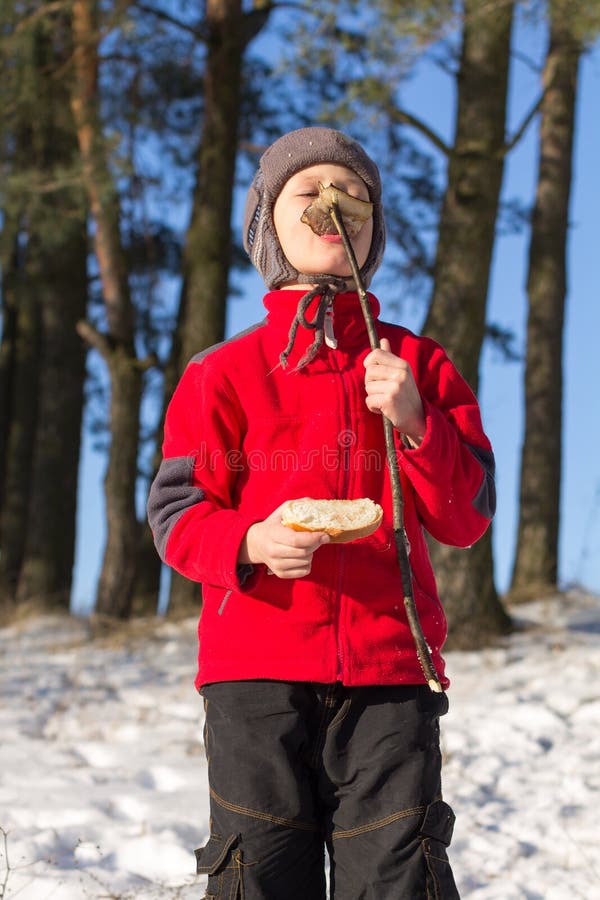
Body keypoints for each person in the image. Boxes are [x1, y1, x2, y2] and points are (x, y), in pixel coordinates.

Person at [147, 126, 495, 899]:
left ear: (373, 231)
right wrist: (250, 539)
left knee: (400, 876)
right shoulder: (221, 372)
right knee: (257, 878)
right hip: (254, 674)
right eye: (308, 193)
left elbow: (468, 515)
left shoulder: (420, 364)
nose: (334, 207)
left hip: (389, 674)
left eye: (356, 197)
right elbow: (175, 513)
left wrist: (415, 422)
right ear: (269, 223)